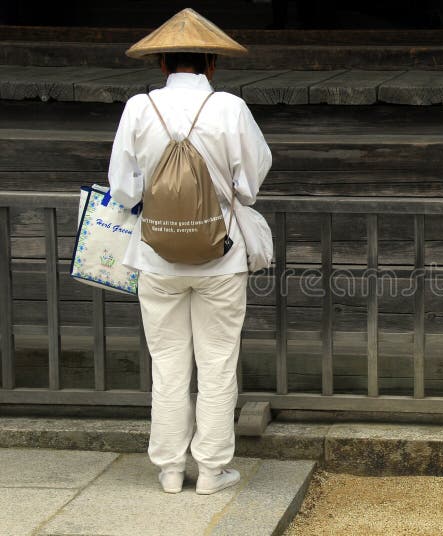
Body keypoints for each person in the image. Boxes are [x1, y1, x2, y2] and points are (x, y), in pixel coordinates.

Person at [108, 8, 272, 495]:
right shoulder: (230, 108)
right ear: (211, 65)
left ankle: (170, 468)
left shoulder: (139, 109)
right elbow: (251, 184)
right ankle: (213, 470)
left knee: (168, 361)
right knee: (218, 360)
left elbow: (122, 188)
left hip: (157, 256)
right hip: (220, 254)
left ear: (161, 65)